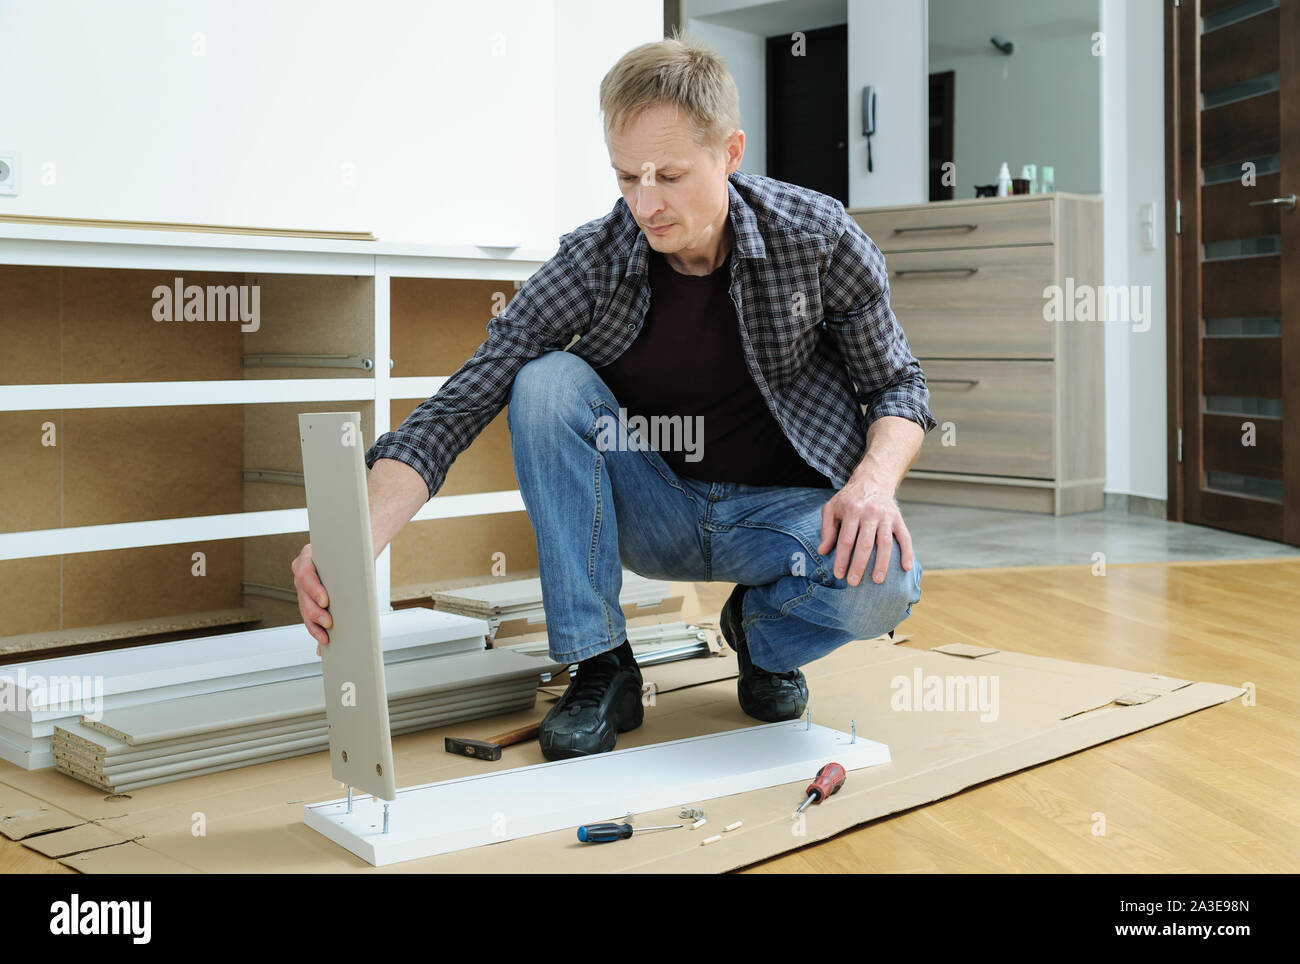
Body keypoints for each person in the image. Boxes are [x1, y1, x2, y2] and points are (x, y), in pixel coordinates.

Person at [292, 32, 935, 761]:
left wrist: (875, 486)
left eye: (668, 175)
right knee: (542, 382)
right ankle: (601, 665)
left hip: (779, 518)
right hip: (652, 505)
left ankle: (761, 638)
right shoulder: (593, 262)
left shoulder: (817, 239)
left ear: (730, 152)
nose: (646, 204)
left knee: (887, 580)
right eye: (627, 177)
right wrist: (353, 542)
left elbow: (897, 385)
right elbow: (460, 403)